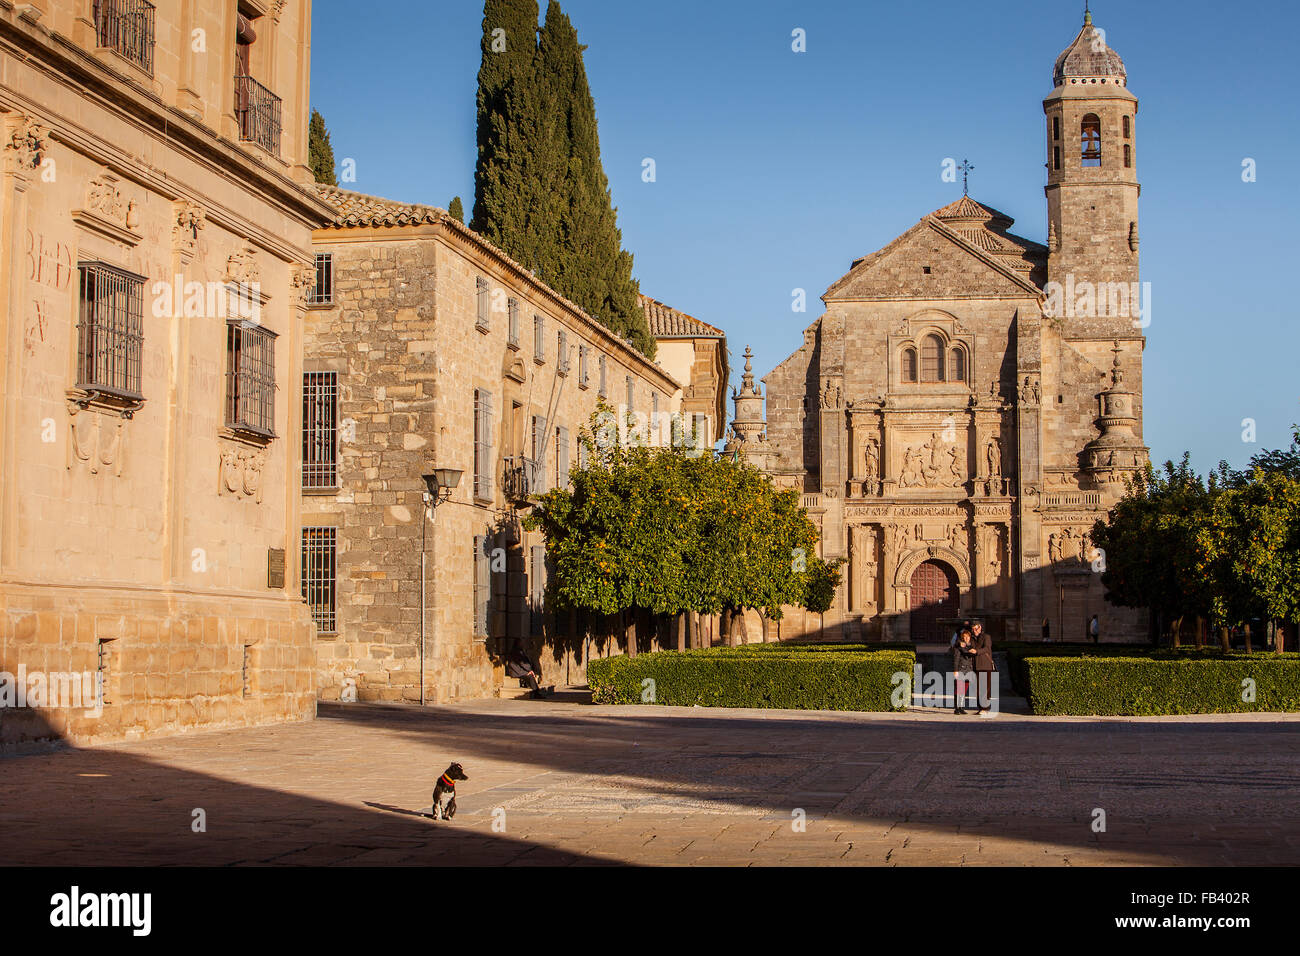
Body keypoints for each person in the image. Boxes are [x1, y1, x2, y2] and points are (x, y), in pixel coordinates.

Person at [969, 621, 997, 717]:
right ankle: (980, 707)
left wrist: (976, 651)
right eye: (973, 629)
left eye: (976, 629)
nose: (975, 631)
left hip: (985, 665)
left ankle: (985, 707)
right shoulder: (971, 637)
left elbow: (987, 648)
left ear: (980, 628)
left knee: (985, 688)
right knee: (977, 688)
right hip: (975, 665)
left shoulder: (986, 637)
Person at [950, 626, 976, 714]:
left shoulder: (971, 646)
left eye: (967, 637)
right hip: (961, 669)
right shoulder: (959, 646)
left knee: (964, 690)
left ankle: (961, 707)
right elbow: (956, 659)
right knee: (959, 689)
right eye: (964, 637)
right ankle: (956, 708)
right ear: (962, 637)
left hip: (969, 670)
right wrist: (955, 670)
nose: (966, 638)